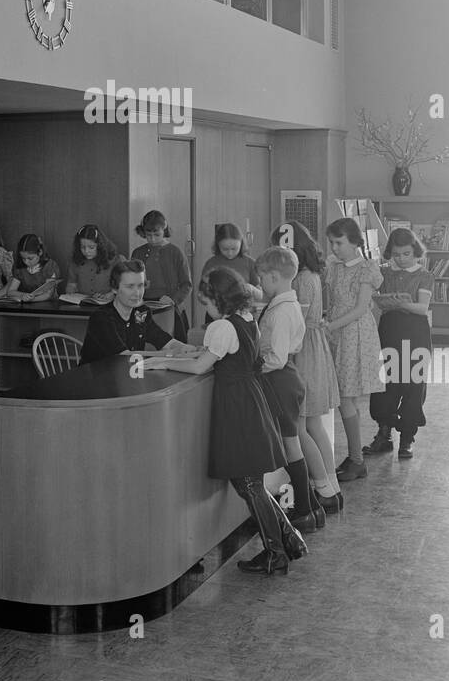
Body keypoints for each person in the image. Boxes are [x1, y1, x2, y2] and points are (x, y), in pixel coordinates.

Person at [145, 267, 307, 576]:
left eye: (206, 302)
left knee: (247, 481)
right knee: (250, 481)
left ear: (218, 299)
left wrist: (162, 361)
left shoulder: (221, 326)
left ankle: (276, 552)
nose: (205, 309)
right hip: (251, 397)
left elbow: (201, 366)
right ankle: (288, 539)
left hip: (237, 405)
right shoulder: (245, 318)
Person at [271, 222, 343, 513]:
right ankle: (331, 486)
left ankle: (322, 488)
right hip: (315, 348)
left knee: (299, 426)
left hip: (303, 352)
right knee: (313, 424)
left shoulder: (300, 279)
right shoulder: (313, 273)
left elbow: (293, 323)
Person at [254, 246, 324, 533]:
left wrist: (250, 369)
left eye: (261, 278)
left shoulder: (282, 311)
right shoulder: (286, 304)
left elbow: (276, 358)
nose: (259, 284)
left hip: (280, 379)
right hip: (285, 378)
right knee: (290, 443)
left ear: (273, 277)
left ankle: (305, 510)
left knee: (290, 444)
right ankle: (312, 508)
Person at [323, 217, 384, 482]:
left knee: (346, 397)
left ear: (355, 241)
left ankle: (357, 460)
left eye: (339, 242)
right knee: (346, 397)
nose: (334, 248)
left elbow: (360, 309)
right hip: (338, 332)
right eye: (332, 243)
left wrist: (329, 326)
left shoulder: (367, 268)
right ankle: (354, 455)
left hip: (355, 334)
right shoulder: (334, 267)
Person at [365, 227, 433, 460]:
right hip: (388, 332)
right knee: (385, 384)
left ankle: (407, 438)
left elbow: (422, 309)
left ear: (415, 252)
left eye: (406, 254)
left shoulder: (424, 275)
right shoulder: (384, 273)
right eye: (396, 254)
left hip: (416, 334)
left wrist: (401, 304)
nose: (401, 259)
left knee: (414, 384)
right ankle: (384, 433)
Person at [79, 260, 182, 364]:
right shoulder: (101, 317)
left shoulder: (141, 312)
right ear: (114, 289)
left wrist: (188, 349)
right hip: (95, 377)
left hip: (126, 375)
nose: (137, 293)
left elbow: (164, 340)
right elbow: (123, 356)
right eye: (130, 287)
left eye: (140, 285)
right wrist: (168, 354)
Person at [130, 209, 192, 341]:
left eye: (157, 235)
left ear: (165, 231)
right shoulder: (137, 253)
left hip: (169, 306)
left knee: (171, 346)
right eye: (148, 235)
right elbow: (130, 280)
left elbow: (186, 284)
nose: (152, 239)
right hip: (143, 306)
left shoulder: (175, 252)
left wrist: (173, 300)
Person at [64, 223, 121, 302]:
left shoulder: (114, 259)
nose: (86, 251)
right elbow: (71, 284)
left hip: (107, 304)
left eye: (91, 247)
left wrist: (111, 294)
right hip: (83, 304)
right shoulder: (75, 260)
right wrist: (70, 291)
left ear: (100, 246)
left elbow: (123, 285)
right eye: (83, 247)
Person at [7, 234, 61, 302]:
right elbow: (10, 292)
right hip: (27, 305)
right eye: (23, 258)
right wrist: (23, 295)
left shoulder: (50, 266)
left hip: (49, 306)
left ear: (40, 252)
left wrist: (31, 299)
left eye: (30, 258)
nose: (26, 262)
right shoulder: (20, 268)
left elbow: (48, 294)